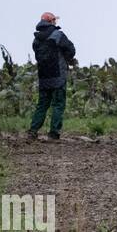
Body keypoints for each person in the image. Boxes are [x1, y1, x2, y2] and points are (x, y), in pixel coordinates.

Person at [28, 12, 76, 140]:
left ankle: (33, 131)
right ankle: (54, 133)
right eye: (54, 20)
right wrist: (66, 58)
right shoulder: (57, 34)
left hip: (44, 77)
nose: (56, 22)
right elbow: (71, 50)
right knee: (58, 104)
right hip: (58, 76)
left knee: (42, 104)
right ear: (51, 22)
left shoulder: (36, 39)